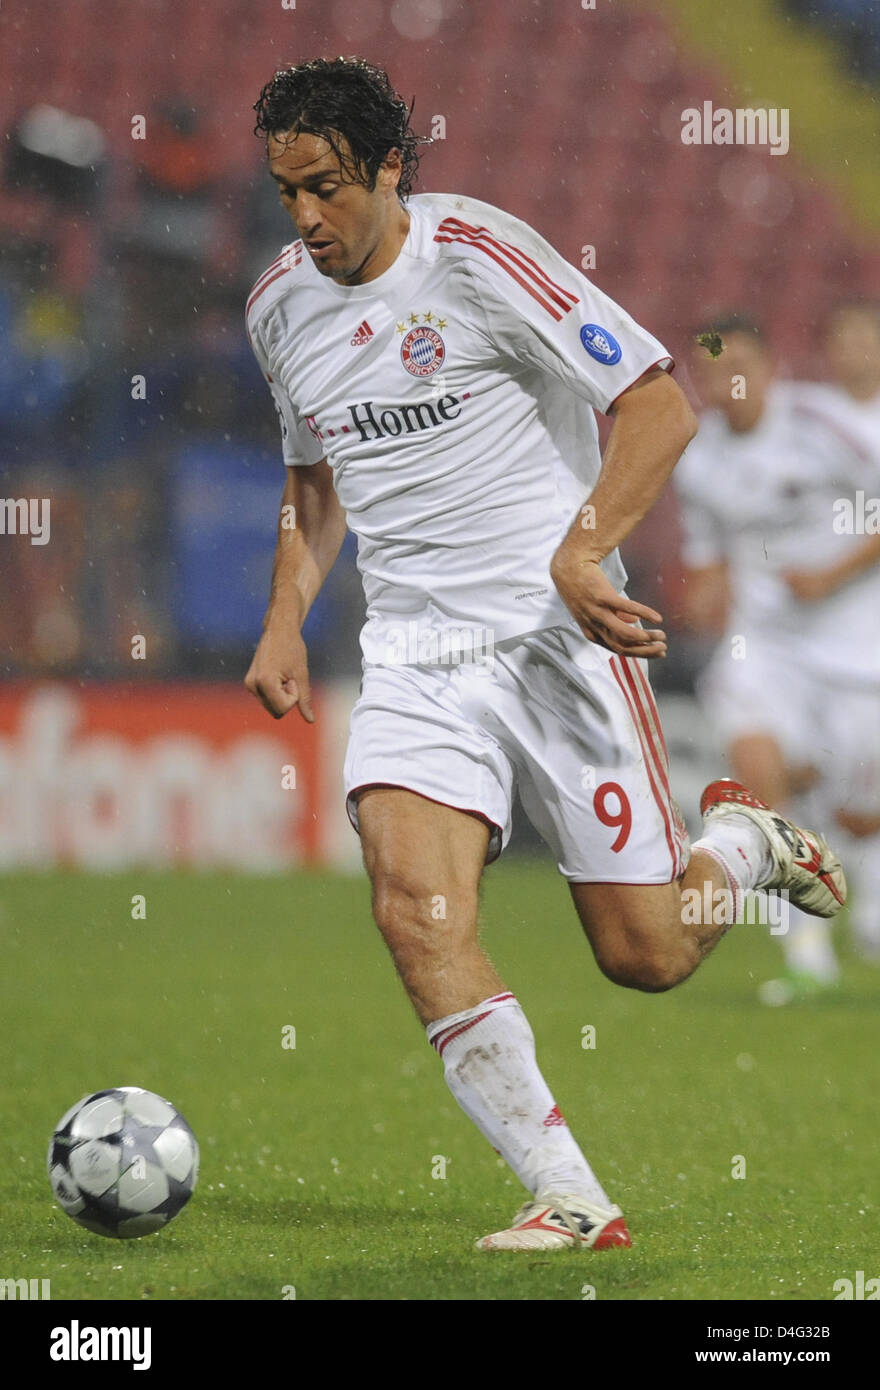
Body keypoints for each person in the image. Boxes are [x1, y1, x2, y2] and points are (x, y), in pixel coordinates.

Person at [244, 60, 845, 1250]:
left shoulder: (476, 256)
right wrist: (282, 615)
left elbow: (658, 402)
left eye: (325, 189)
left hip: (557, 640)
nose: (305, 219)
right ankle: (568, 1192)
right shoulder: (276, 307)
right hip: (414, 653)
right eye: (285, 193)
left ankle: (739, 839)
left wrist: (583, 554)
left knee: (649, 955)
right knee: (415, 909)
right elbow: (314, 480)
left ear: (390, 170)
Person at [676, 313, 880, 1004]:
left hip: (854, 638)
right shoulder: (698, 457)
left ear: (769, 370)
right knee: (760, 772)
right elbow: (706, 552)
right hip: (762, 641)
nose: (723, 384)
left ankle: (855, 864)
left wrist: (833, 574)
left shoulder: (824, 427)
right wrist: (704, 592)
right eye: (707, 372)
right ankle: (806, 949)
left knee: (859, 803)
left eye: (737, 368)